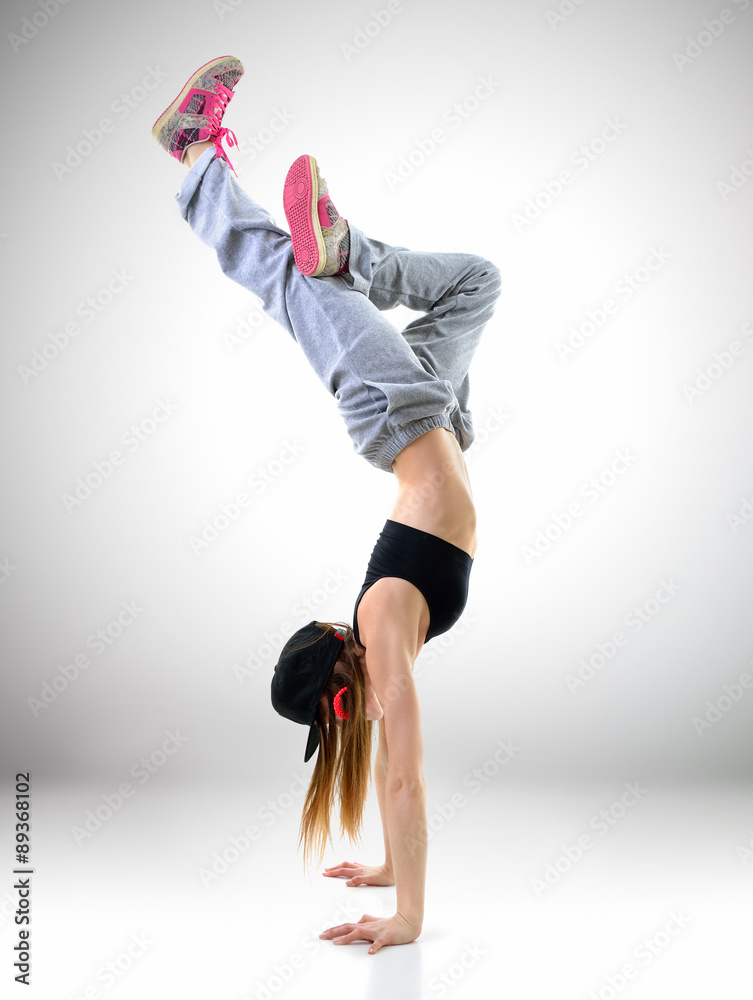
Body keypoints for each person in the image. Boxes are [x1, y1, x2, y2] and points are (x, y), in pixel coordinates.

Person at [152, 55, 501, 955]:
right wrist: (388, 873)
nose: (356, 723)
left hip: (393, 408)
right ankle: (348, 254)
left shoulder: (382, 622)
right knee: (476, 283)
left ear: (341, 693)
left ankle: (193, 159)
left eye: (339, 716)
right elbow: (397, 779)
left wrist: (409, 917)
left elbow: (406, 784)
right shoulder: (383, 640)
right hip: (440, 412)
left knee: (283, 279)